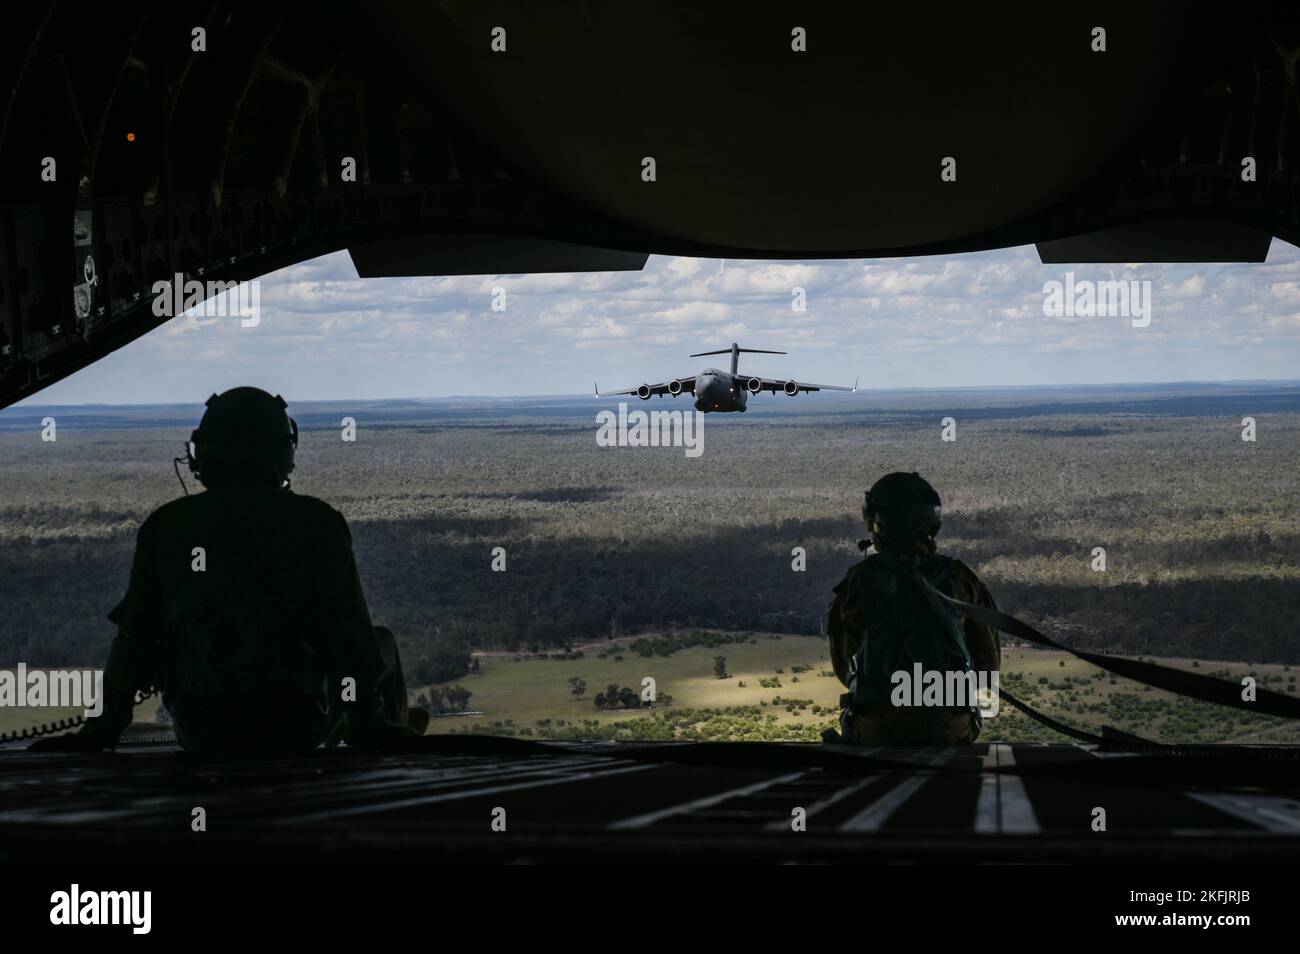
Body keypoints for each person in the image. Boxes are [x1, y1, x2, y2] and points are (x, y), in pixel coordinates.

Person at [33, 387, 426, 754]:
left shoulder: (165, 525)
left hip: (201, 730)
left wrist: (100, 729)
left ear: (201, 453)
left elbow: (135, 639)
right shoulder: (317, 523)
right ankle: (378, 729)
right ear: (283, 450)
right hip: (294, 728)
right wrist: (366, 719)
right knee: (382, 641)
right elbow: (349, 639)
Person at [825, 472, 1000, 745]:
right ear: (932, 524)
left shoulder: (859, 580)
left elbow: (844, 669)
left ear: (877, 526)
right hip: (950, 729)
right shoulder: (959, 578)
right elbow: (988, 666)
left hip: (875, 730)